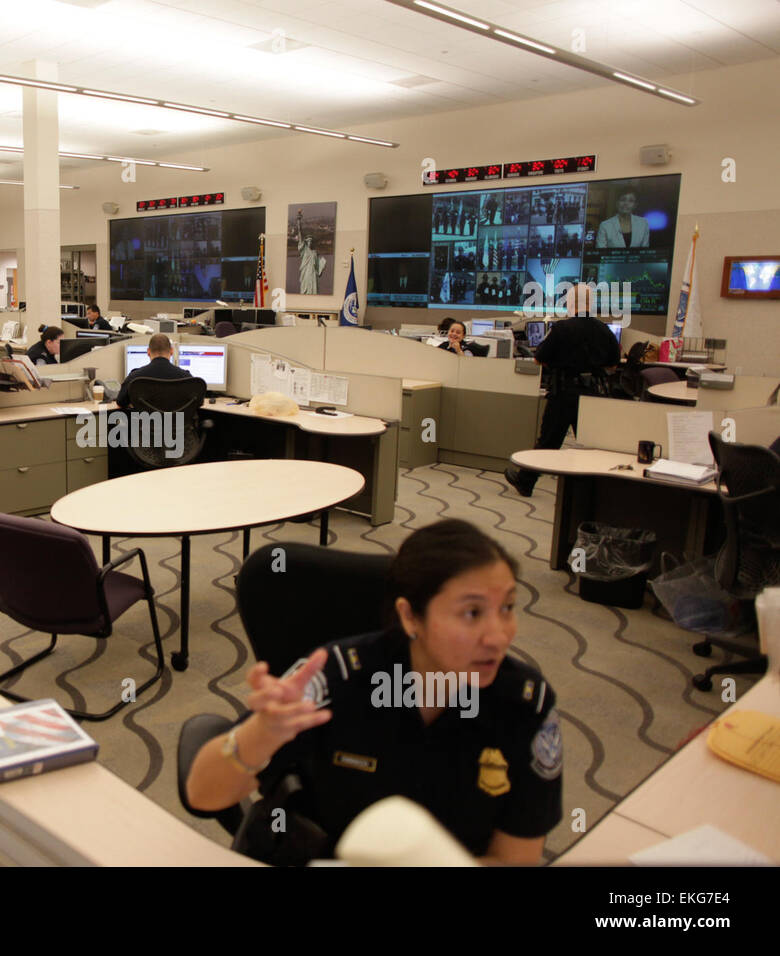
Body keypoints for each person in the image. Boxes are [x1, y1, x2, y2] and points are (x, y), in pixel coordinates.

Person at [185, 518, 561, 866]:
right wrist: (262, 734)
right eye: (472, 613)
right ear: (410, 616)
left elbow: (516, 858)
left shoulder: (526, 704)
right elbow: (204, 794)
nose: (499, 636)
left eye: (508, 607)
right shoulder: (339, 676)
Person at [505, 285, 621, 496]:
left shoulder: (562, 329)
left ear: (570, 302)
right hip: (594, 395)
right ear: (592, 303)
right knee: (592, 445)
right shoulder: (604, 330)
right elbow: (613, 365)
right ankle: (595, 492)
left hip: (564, 393)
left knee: (549, 440)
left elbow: (539, 358)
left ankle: (525, 481)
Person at [116, 333, 194, 408]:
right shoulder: (185, 377)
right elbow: (198, 401)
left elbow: (120, 401)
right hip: (177, 420)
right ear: (172, 351)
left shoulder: (135, 377)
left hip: (145, 420)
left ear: (148, 352)